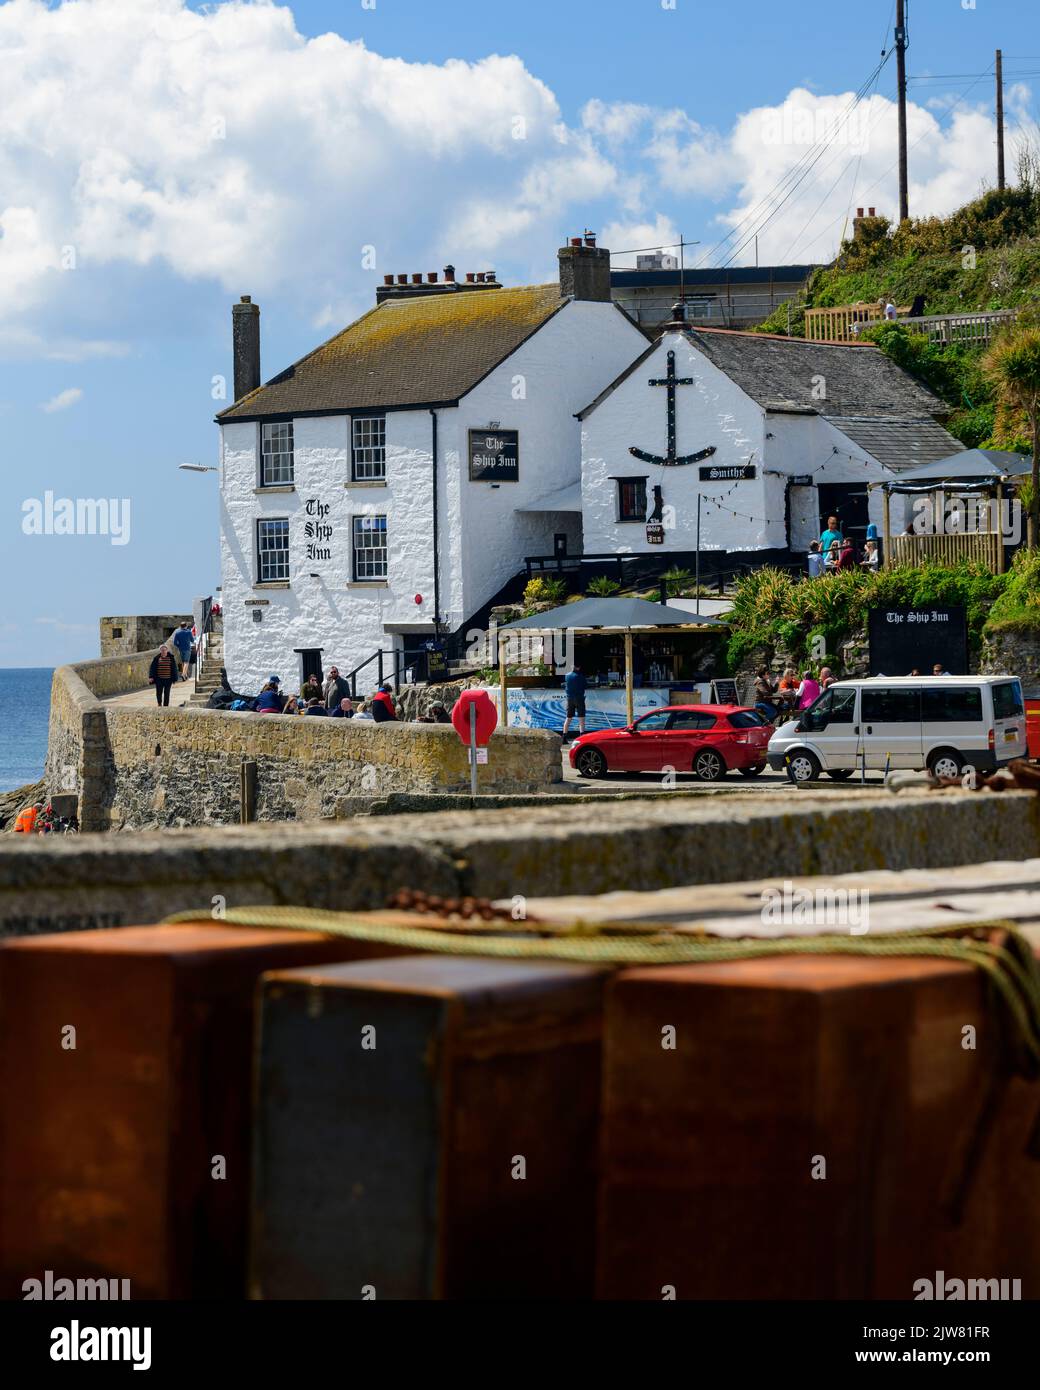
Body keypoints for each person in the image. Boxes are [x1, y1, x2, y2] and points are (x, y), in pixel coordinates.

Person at [562, 663, 587, 741]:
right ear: (579, 667)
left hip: (570, 699)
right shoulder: (581, 676)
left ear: (572, 667)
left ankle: (564, 737)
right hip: (579, 698)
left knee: (568, 718)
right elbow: (585, 686)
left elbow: (566, 685)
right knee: (581, 719)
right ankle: (581, 738)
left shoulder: (567, 676)